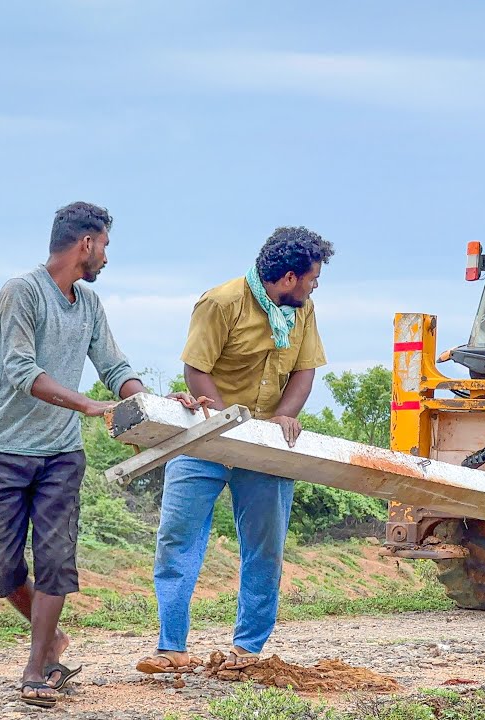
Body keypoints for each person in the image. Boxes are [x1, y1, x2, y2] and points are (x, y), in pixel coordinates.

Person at [0, 202, 197, 708]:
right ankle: (51, 639)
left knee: (55, 561)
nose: (105, 258)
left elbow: (113, 365)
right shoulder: (23, 292)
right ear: (87, 243)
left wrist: (154, 403)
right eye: (104, 247)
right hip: (7, 451)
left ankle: (38, 668)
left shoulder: (90, 305)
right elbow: (20, 369)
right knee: (4, 571)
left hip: (60, 455)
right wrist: (87, 405)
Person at [136, 226, 333, 676]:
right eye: (312, 278)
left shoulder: (304, 311)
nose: (315, 286)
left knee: (265, 546)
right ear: (287, 278)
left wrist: (285, 414)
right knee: (177, 538)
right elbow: (197, 368)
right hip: (204, 438)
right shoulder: (221, 302)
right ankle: (171, 648)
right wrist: (227, 426)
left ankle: (247, 649)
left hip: (266, 448)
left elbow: (304, 371)